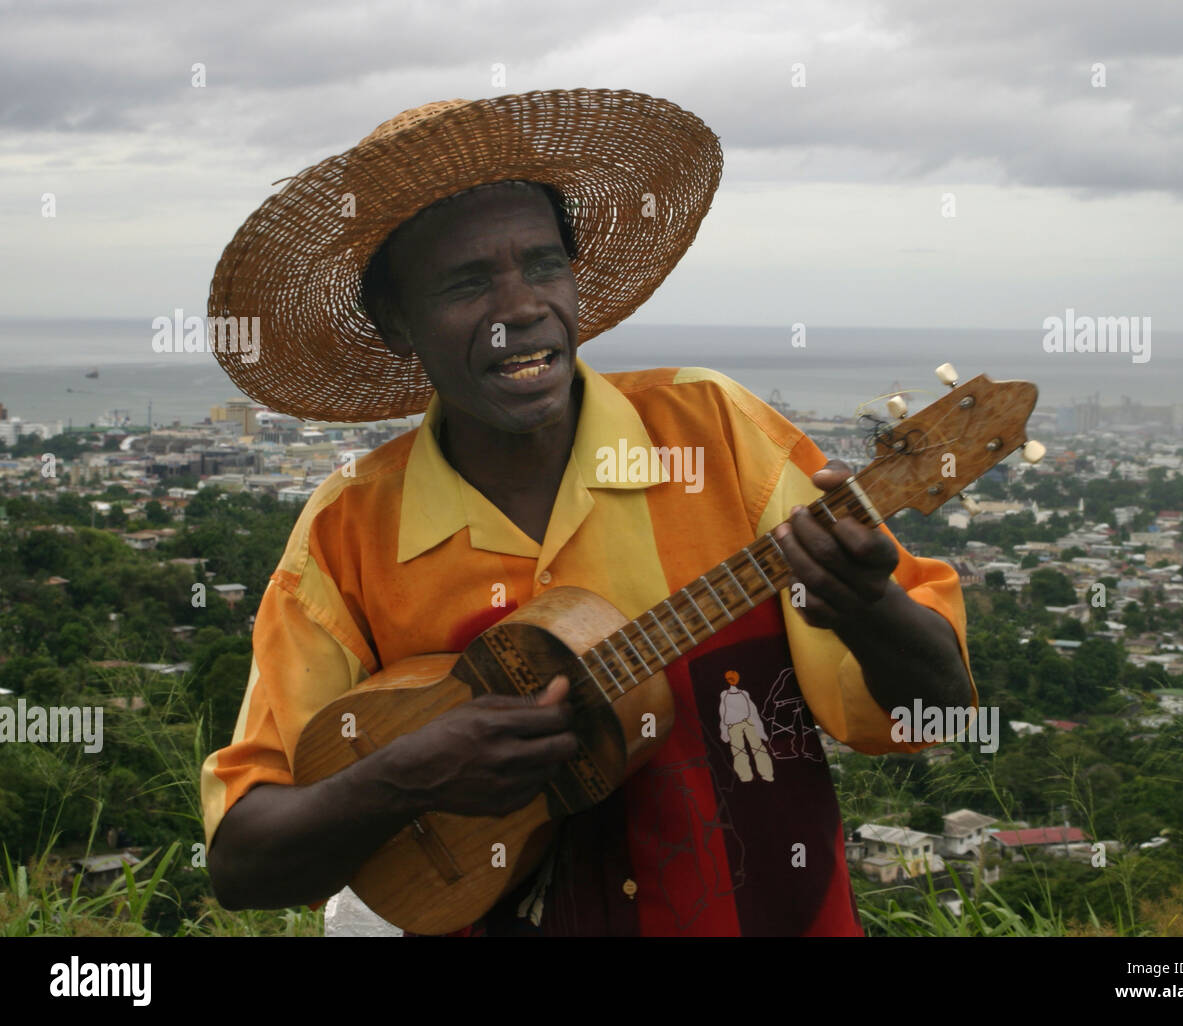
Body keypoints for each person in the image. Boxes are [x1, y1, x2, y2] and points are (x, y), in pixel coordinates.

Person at [201, 88, 975, 936]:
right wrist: (407, 778)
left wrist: (872, 609)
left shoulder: (717, 430)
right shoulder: (347, 531)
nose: (521, 306)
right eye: (466, 282)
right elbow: (243, 861)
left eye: (542, 265)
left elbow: (934, 710)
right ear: (395, 324)